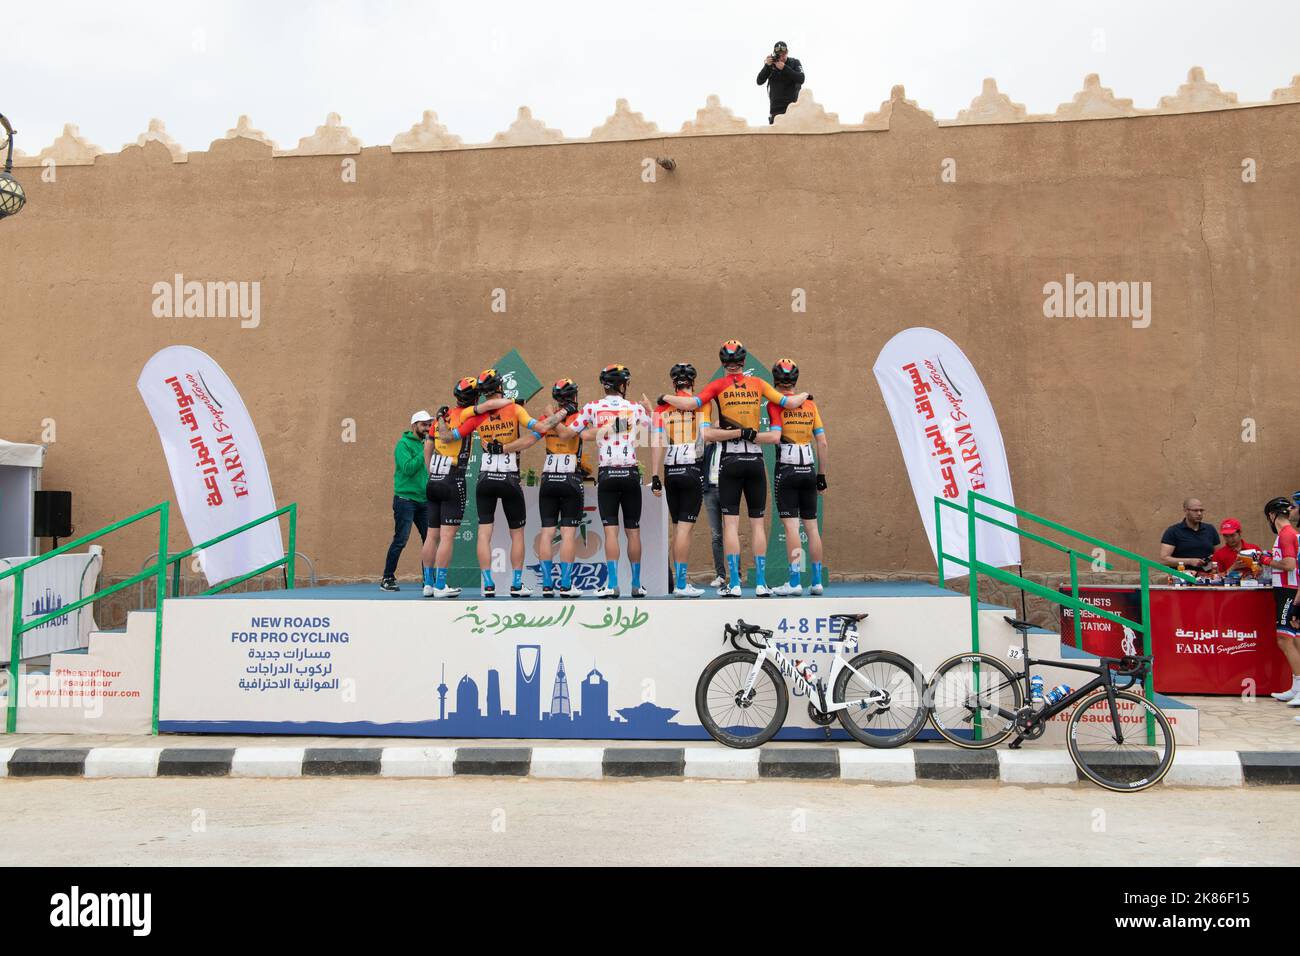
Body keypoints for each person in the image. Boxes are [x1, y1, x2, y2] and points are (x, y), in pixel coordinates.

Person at [659, 340, 809, 596]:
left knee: (730, 526)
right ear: (743, 363)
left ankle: (735, 584)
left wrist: (665, 397)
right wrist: (807, 395)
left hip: (729, 462)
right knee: (758, 525)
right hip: (755, 461)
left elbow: (695, 414)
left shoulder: (717, 386)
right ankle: (761, 584)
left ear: (723, 363)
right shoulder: (759, 384)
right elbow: (789, 403)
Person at [555, 365, 652, 598]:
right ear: (622, 385)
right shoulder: (634, 408)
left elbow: (568, 434)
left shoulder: (592, 407)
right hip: (629, 472)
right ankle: (637, 585)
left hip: (607, 473)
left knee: (611, 532)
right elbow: (657, 429)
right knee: (633, 531)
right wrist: (649, 410)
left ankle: (613, 583)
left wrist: (552, 415)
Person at [465, 368, 558, 598]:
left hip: (485, 476)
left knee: (484, 533)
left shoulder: (477, 414)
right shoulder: (514, 408)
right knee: (516, 534)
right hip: (509, 477)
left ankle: (488, 584)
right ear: (500, 388)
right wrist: (555, 416)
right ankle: (516, 585)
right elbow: (540, 429)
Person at [420, 377, 513, 598]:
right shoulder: (467, 413)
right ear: (473, 397)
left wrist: (430, 470)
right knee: (447, 536)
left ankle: (428, 584)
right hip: (453, 477)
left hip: (434, 476)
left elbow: (428, 446)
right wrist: (510, 401)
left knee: (431, 536)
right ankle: (441, 586)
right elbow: (492, 405)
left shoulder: (441, 417)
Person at [766, 359, 828, 596]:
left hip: (787, 469)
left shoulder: (775, 405)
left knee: (792, 528)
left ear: (775, 380)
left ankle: (794, 582)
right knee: (812, 529)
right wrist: (821, 476)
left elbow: (774, 436)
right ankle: (817, 581)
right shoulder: (810, 406)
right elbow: (822, 442)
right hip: (809, 469)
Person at [651, 363, 706, 598]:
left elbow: (656, 443)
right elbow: (707, 435)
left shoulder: (661, 409)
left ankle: (680, 582)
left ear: (674, 382)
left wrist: (654, 476)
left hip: (669, 470)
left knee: (677, 529)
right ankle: (682, 584)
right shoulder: (701, 404)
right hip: (692, 467)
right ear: (692, 382)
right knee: (685, 529)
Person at [535, 378, 587, 598]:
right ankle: (565, 585)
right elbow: (574, 434)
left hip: (548, 478)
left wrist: (552, 414)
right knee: (567, 534)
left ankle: (547, 584)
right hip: (570, 478)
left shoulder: (547, 417)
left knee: (546, 533)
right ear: (573, 396)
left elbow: (536, 433)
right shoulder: (580, 415)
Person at [380, 411, 433, 591]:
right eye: (423, 424)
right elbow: (408, 468)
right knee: (401, 539)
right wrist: (425, 451)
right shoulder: (403, 444)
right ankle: (387, 578)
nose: (427, 428)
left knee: (429, 540)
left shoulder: (428, 444)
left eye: (429, 424)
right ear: (414, 426)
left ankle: (428, 580)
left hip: (424, 500)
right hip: (405, 499)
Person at [1261, 497, 1300, 708]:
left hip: (1288, 590)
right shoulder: (1291, 533)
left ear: (1271, 515)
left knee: (1284, 639)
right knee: (1294, 639)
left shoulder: (1286, 534)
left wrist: (1265, 560)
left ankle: (1299, 687)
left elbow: (1289, 564)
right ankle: (1296, 687)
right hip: (1289, 590)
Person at [1158, 498, 1219, 570]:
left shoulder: (1210, 529)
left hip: (1207, 577)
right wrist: (1189, 561)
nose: (1199, 513)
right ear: (1186, 511)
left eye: (1201, 510)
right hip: (1182, 577)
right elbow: (1164, 560)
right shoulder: (1173, 531)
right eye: (1195, 510)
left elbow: (1218, 554)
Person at [756, 41, 805, 125]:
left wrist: (784, 68)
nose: (781, 57)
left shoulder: (794, 62)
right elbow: (759, 81)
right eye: (779, 55)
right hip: (775, 111)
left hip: (792, 108)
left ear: (787, 53)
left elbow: (801, 78)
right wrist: (767, 66)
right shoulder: (771, 66)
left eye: (783, 54)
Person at [701, 440, 727, 588]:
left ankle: (736, 573)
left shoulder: (731, 448)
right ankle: (720, 575)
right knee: (716, 535)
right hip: (709, 491)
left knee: (731, 532)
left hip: (727, 489)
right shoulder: (709, 447)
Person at [1209, 518, 1264, 582]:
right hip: (1229, 590)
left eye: (1232, 535)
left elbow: (1265, 573)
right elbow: (1215, 579)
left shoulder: (1254, 549)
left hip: (1254, 588)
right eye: (1226, 536)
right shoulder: (1218, 554)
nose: (1229, 539)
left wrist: (1257, 568)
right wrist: (1233, 568)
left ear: (1240, 533)